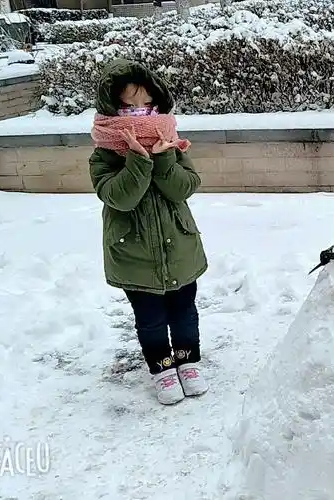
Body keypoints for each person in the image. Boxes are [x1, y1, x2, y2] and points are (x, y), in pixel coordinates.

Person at [89, 59, 209, 405]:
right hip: (134, 255)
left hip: (180, 249)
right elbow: (119, 198)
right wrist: (138, 160)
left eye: (147, 106)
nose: (141, 115)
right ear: (113, 110)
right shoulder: (104, 155)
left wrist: (162, 159)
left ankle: (187, 362)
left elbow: (184, 188)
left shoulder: (170, 142)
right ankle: (163, 368)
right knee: (151, 320)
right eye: (129, 107)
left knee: (185, 312)